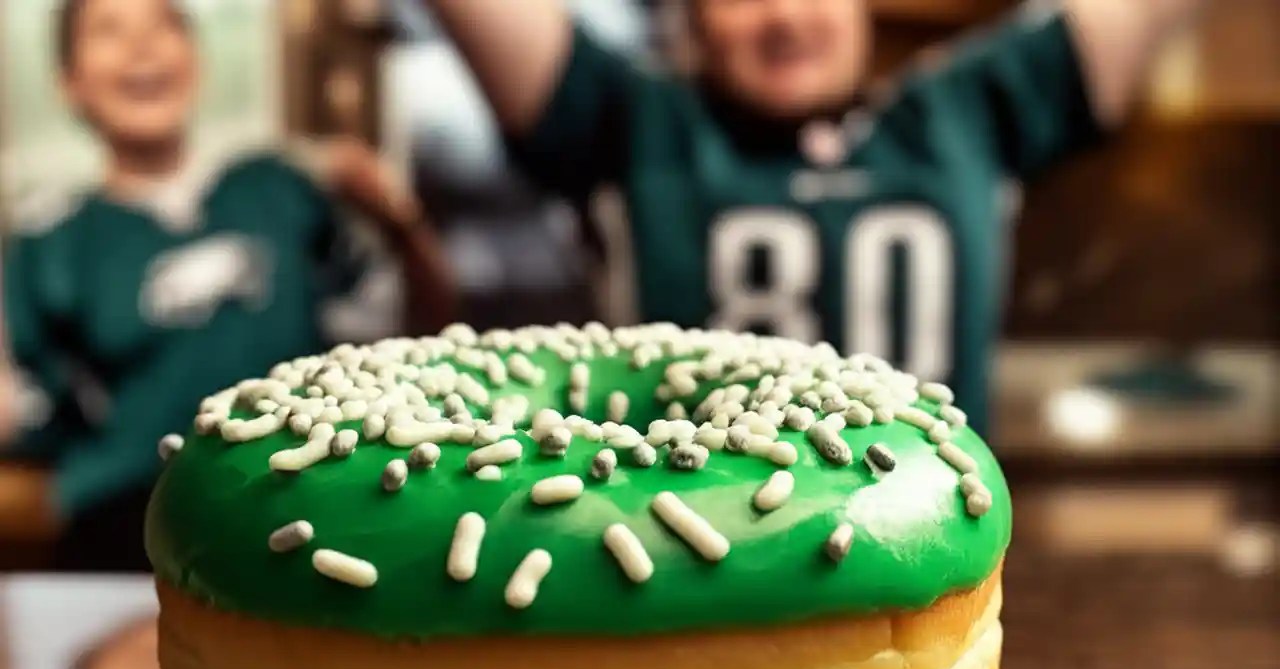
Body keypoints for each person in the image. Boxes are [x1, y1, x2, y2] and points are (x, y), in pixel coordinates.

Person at [424, 0, 1201, 433]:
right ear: (691, 18)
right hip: (699, 572)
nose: (786, 16)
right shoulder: (634, 123)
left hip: (926, 555)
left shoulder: (962, 112)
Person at [0, 0, 455, 570]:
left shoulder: (276, 190)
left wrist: (400, 223)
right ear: (71, 83)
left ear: (195, 56)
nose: (142, 47)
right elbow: (29, 403)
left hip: (300, 499)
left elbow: (413, 333)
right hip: (128, 524)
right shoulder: (51, 240)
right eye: (110, 31)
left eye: (163, 24)